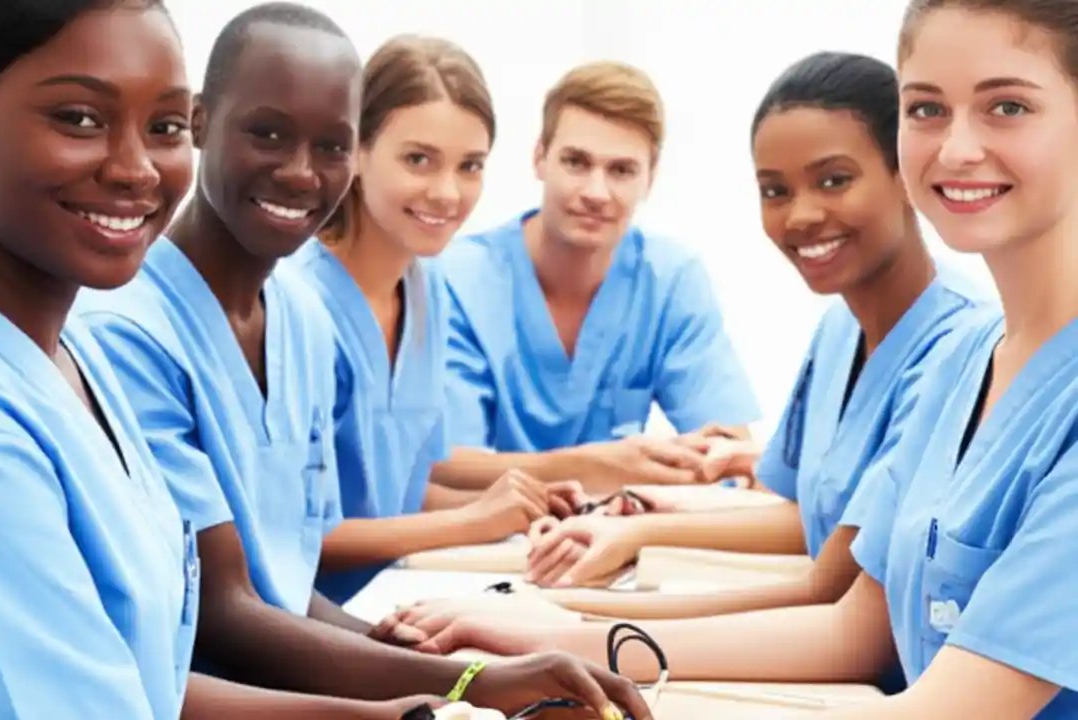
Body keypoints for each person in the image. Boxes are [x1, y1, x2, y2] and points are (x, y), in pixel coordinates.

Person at [379, 2, 1078, 717]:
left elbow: (944, 705)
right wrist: (561, 637)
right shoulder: (966, 364)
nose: (956, 148)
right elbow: (848, 630)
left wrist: (581, 606)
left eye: (1008, 106)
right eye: (927, 109)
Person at [0, 2, 440, 718]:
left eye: (164, 127)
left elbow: (141, 677)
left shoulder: (57, 357)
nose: (137, 169)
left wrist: (398, 710)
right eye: (79, 119)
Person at [78, 3, 650, 718]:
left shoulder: (302, 321)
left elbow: (287, 574)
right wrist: (463, 681)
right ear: (198, 122)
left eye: (330, 146)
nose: (300, 172)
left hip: (302, 670)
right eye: (267, 134)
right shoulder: (125, 331)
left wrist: (423, 653)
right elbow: (222, 612)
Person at [511, 51, 990, 598]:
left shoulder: (959, 350)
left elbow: (834, 593)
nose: (801, 215)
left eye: (833, 181)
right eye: (775, 191)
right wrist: (630, 527)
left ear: (907, 172)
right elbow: (809, 521)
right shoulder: (839, 329)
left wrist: (571, 622)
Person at [289, 35, 586, 605]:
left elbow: (402, 492)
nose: (447, 193)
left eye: (469, 166)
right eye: (417, 160)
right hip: (311, 628)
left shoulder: (427, 288)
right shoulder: (297, 305)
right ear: (354, 151)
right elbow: (299, 535)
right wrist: (473, 520)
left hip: (396, 596)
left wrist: (525, 507)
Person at [431, 61, 761, 494]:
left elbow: (729, 450)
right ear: (539, 158)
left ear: (651, 178)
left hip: (622, 537)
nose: (595, 193)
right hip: (480, 543)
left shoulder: (671, 280)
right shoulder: (457, 279)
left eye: (621, 170)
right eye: (576, 162)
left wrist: (699, 463)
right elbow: (445, 466)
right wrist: (598, 465)